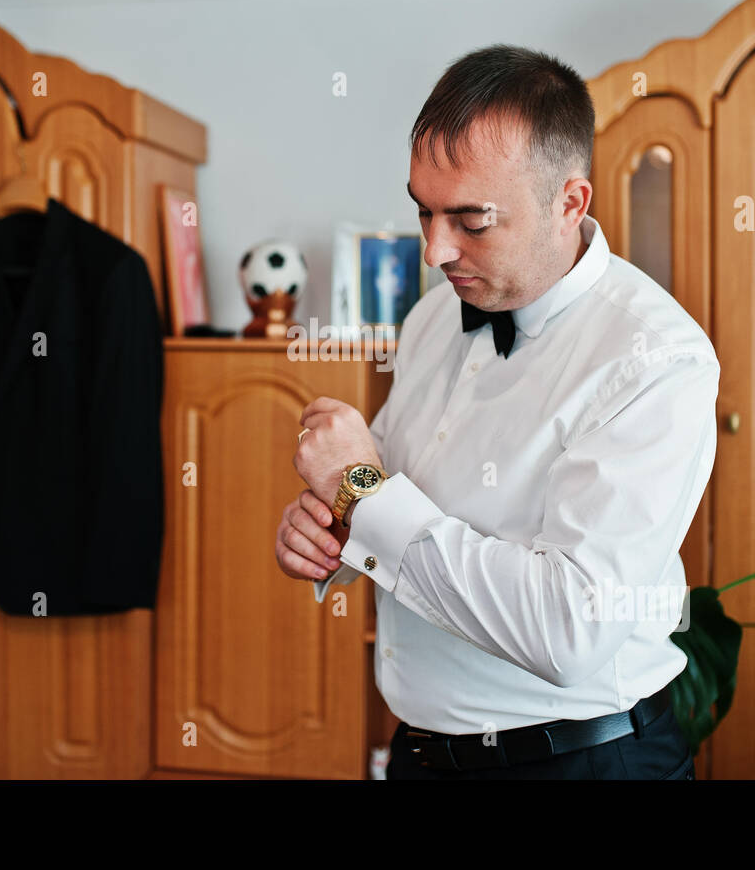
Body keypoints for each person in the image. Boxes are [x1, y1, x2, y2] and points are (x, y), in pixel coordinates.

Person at [276, 44, 718, 779]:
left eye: (470, 220)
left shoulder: (656, 358)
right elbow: (383, 492)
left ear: (570, 203)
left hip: (585, 761)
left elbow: (569, 629)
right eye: (423, 211)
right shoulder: (429, 319)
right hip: (422, 751)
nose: (433, 250)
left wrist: (358, 490)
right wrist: (326, 533)